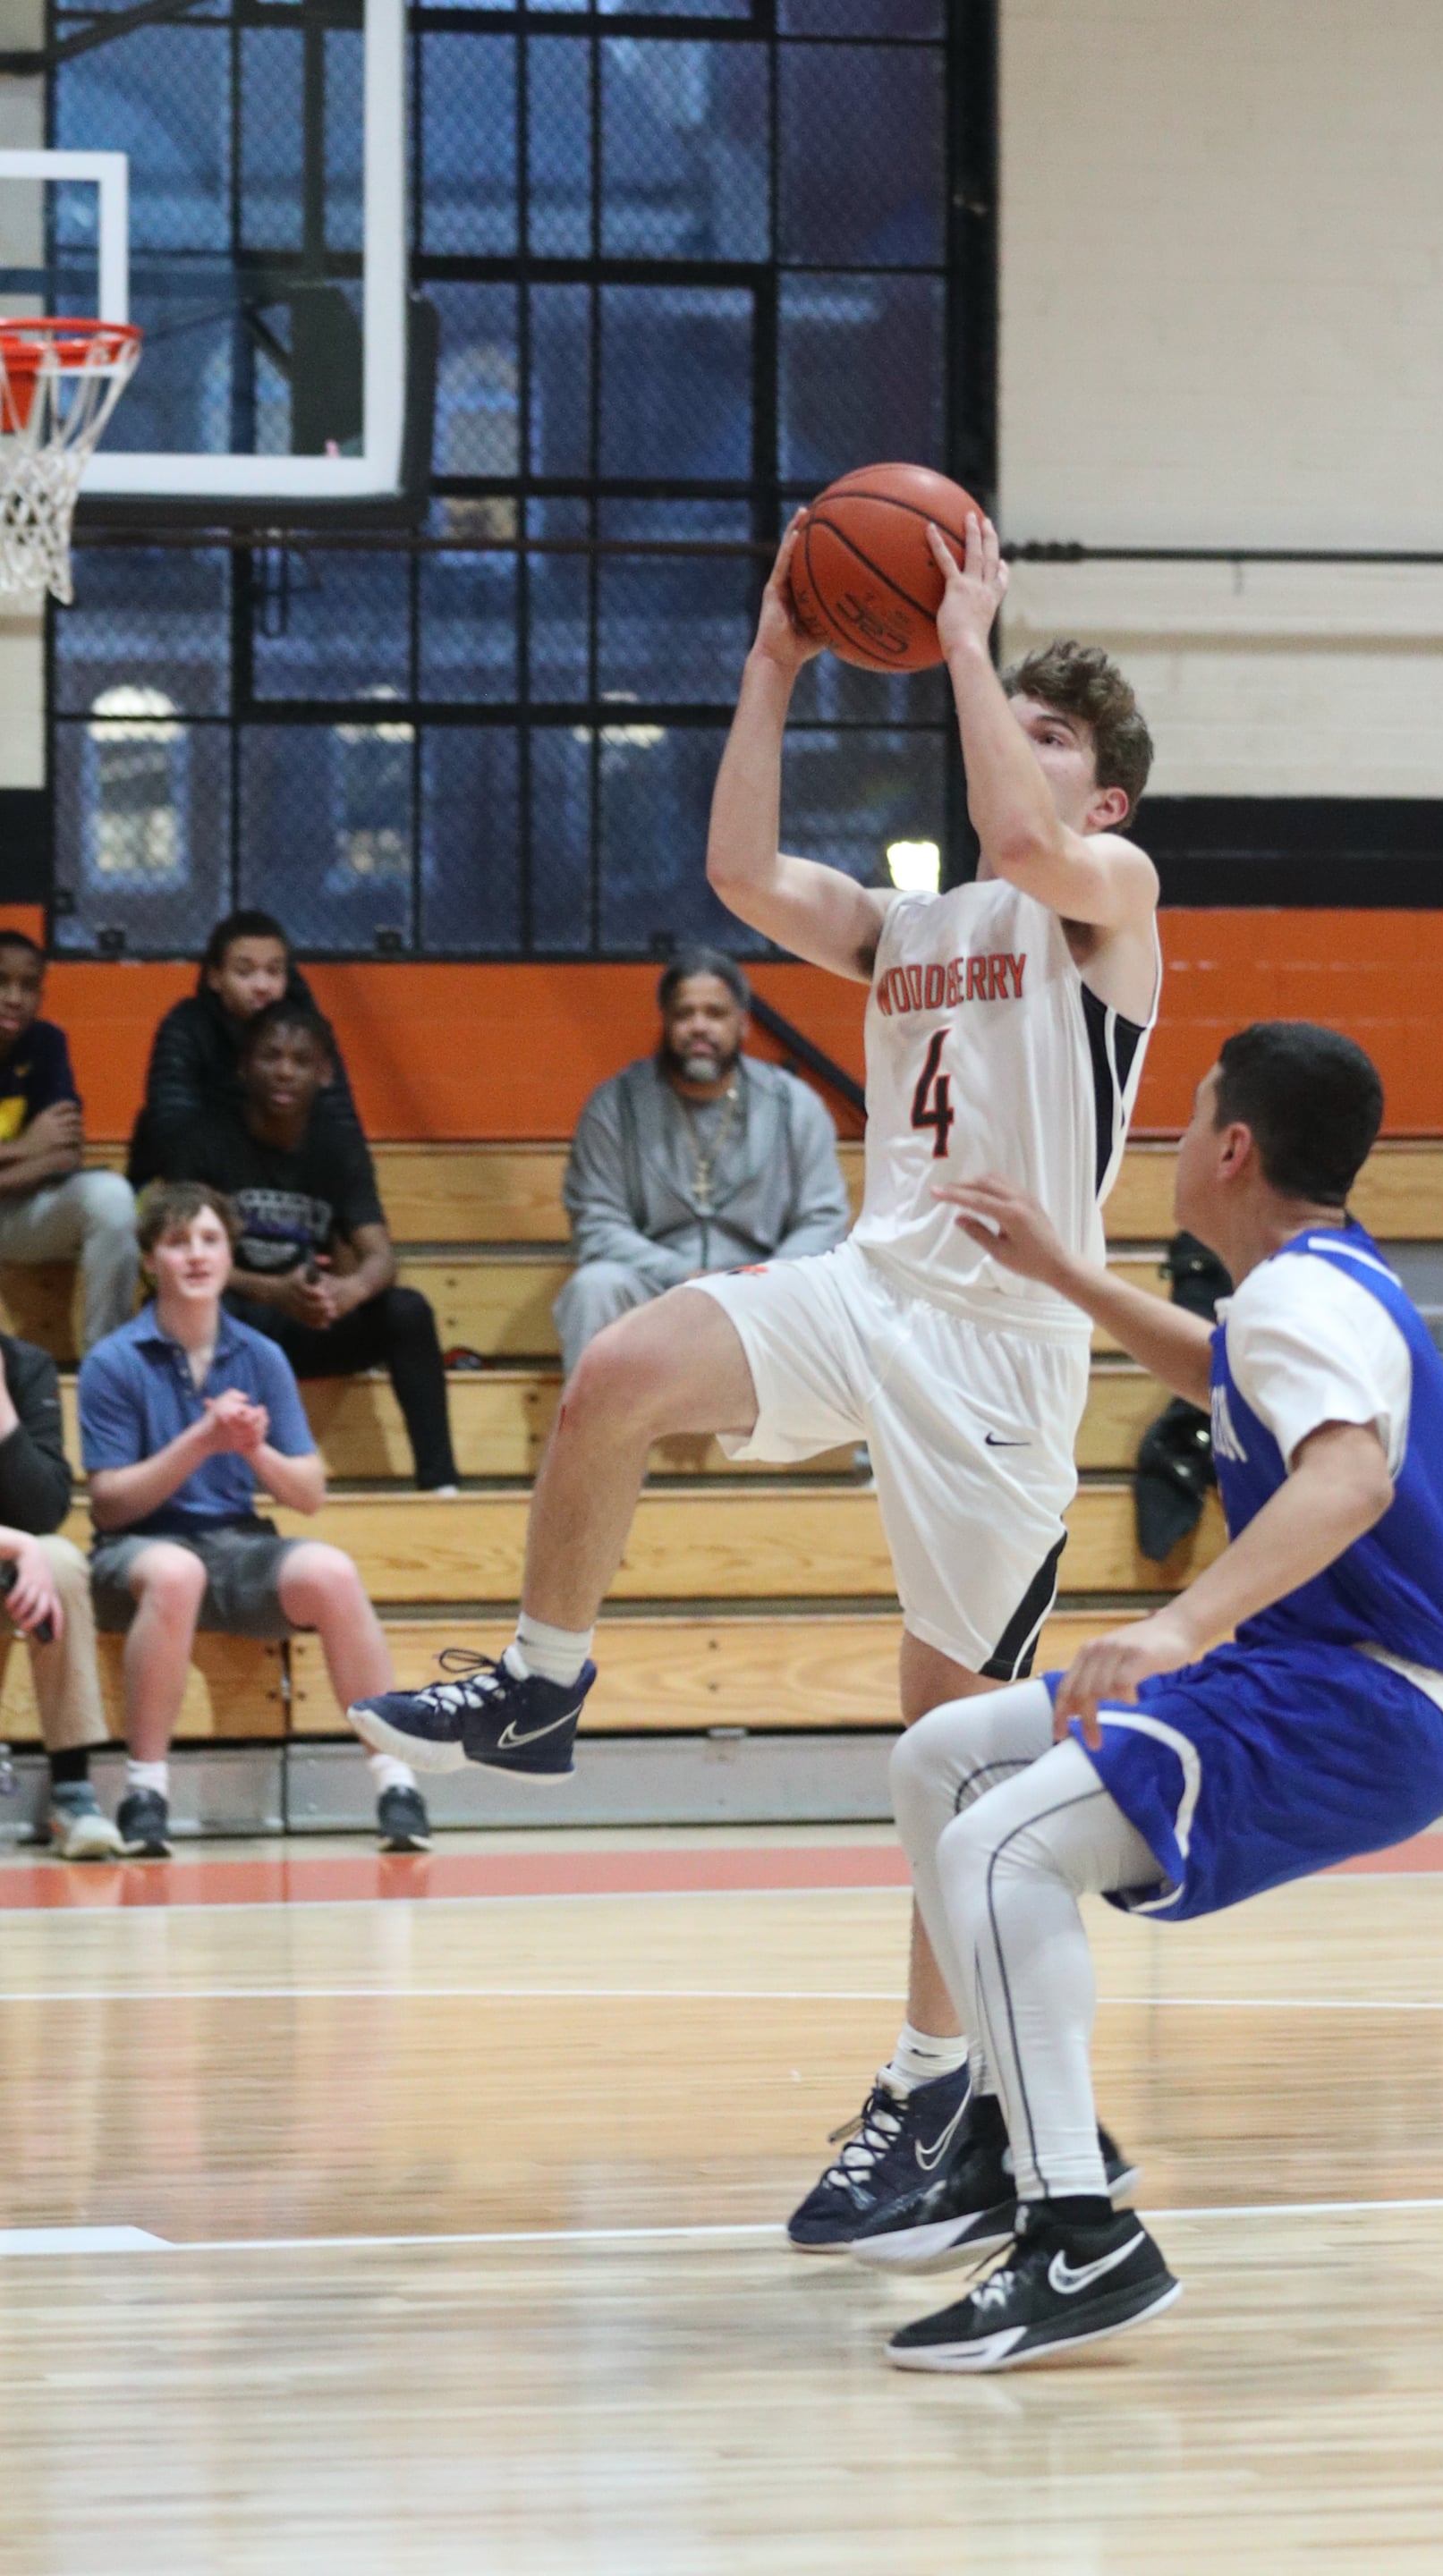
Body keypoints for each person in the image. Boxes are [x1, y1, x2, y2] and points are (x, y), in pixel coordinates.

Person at [349, 509, 1164, 2247]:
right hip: (868, 1290)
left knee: (945, 1757)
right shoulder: (917, 923)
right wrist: (771, 665)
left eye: (1051, 733)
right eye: (1011, 717)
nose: (1014, 744)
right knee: (614, 1377)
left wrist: (962, 635)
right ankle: (541, 1684)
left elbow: (1016, 827)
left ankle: (932, 2086)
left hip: (1005, 1366)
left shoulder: (1105, 906)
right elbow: (736, 880)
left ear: (1106, 803)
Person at [845, 1022, 1443, 2371]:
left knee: (1000, 1848)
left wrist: (1180, 1623)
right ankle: (1016, 2136)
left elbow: (1349, 1478)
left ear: (1233, 1148)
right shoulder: (1303, 1293)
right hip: (1314, 1675)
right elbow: (1225, 1377)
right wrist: (1070, 1273)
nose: (1177, 1139)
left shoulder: (1304, 1301)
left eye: (1191, 1116)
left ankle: (1079, 2233)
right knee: (944, 1761)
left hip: (1362, 1697)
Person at [77, 1182, 434, 1859]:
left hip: (236, 1545)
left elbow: (307, 1493)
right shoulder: (113, 1360)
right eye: (178, 1242)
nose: (196, 1255)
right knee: (175, 1572)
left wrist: (252, 1448)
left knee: (331, 1569)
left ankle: (396, 1783)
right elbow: (110, 1504)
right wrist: (199, 1442)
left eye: (209, 1240)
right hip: (135, 1552)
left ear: (228, 1253)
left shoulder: (261, 1355)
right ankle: (145, 1791)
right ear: (151, 1260)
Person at [160, 997, 459, 1493]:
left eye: (300, 1061)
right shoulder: (204, 1141)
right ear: (243, 1066)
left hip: (305, 1320)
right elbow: (175, 1259)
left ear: (324, 1074)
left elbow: (381, 1255)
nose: (284, 1072)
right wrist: (270, 1289)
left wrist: (351, 1291)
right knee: (198, 1309)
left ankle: (441, 1484)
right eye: (270, 1057)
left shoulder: (337, 1146)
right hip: (236, 1321)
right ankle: (213, 1491)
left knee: (406, 1311)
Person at [554, 948, 851, 1377]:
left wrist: (763, 1280)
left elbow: (823, 1221)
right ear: (666, 1021)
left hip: (765, 1290)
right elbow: (597, 1222)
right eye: (684, 1013)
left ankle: (820, 1443)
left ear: (742, 1023)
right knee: (594, 1287)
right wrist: (683, 1274)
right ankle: (595, 1442)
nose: (699, 1027)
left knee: (837, 1298)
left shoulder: (794, 1105)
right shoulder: (615, 1104)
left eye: (715, 1013)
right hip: (656, 1285)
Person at [127, 908, 362, 1191]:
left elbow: (340, 1121)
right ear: (215, 977)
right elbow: (172, 1126)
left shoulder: (309, 1031)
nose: (262, 986)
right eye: (245, 972)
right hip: (186, 1181)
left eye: (274, 972)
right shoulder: (186, 1024)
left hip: (284, 1183)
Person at [0, 1323, 119, 1859]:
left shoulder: (25, 1365)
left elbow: (46, 1509)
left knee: (63, 1561)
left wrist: (2, 1413)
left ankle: (73, 1794)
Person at [0, 928, 139, 1348]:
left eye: (29, 986)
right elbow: (46, 1152)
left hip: (22, 1214)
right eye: (1, 982)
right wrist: (27, 1149)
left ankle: (107, 1366)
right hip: (21, 1190)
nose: (14, 997)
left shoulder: (47, 1044)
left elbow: (66, 1155)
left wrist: (40, 1160)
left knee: (112, 1196)